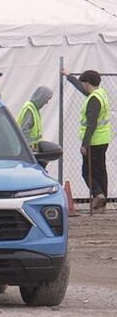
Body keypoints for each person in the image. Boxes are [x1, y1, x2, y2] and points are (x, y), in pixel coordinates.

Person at [70, 70, 110, 214]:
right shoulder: (100, 94)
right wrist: (69, 77)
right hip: (103, 140)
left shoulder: (93, 100)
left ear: (87, 83)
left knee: (87, 172)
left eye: (83, 83)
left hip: (94, 141)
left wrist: (85, 144)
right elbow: (82, 89)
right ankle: (102, 202)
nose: (83, 85)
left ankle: (98, 195)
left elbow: (91, 124)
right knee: (101, 171)